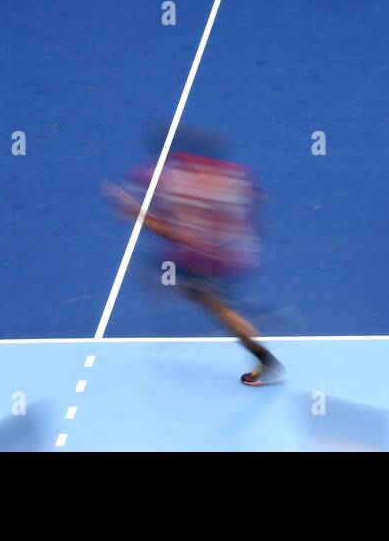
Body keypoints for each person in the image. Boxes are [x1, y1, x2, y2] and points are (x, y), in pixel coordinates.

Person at [102, 138, 278, 382]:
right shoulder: (230, 175)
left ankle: (266, 361)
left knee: (216, 306)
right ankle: (227, 309)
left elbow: (175, 234)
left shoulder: (178, 185)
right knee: (173, 280)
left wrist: (136, 212)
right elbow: (258, 201)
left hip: (209, 259)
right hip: (239, 251)